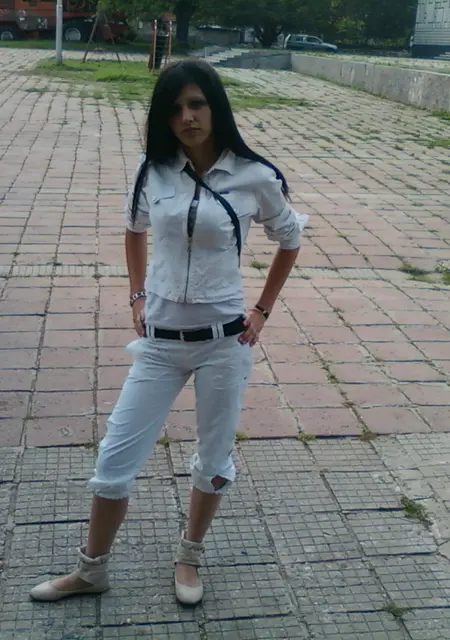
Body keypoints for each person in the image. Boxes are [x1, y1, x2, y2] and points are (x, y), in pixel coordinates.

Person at [30, 59, 308, 606]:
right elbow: (133, 229)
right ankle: (91, 570)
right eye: (175, 108)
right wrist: (137, 295)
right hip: (159, 344)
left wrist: (262, 310)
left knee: (213, 458)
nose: (187, 117)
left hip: (224, 342)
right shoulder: (151, 170)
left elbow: (290, 237)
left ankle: (189, 557)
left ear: (216, 108)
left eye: (197, 104)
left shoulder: (255, 175)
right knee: (113, 460)